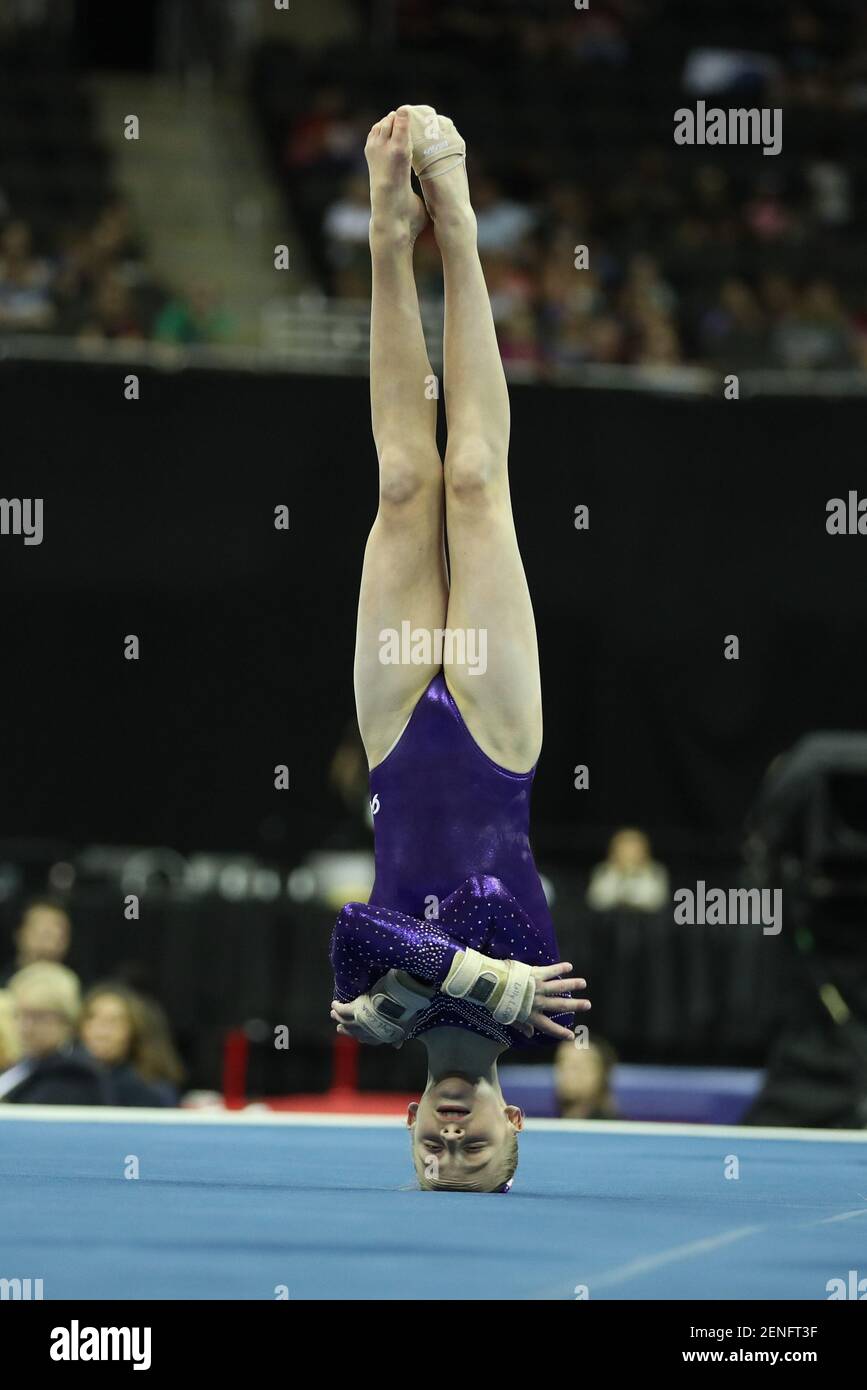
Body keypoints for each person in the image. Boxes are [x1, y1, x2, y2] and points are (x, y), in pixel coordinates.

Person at [328, 106, 590, 1192]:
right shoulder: (548, 1022)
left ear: (404, 1124)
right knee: (476, 486)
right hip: (493, 739)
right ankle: (463, 225)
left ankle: (391, 238)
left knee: (401, 483)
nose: (449, 1134)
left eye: (433, 1151)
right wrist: (483, 981)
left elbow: (362, 920)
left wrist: (461, 978)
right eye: (472, 1149)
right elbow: (482, 908)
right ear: (515, 1127)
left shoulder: (387, 1025)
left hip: (395, 743)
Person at [0, 963, 111, 1105]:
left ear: (66, 1021)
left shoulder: (76, 1076)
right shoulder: (23, 1065)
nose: (26, 1027)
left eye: (38, 1017)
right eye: (19, 1015)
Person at [79, 984, 184, 1107]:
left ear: (134, 1032)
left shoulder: (153, 1091)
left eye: (114, 1022)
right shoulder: (65, 1081)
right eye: (91, 1018)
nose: (101, 1032)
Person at [0, 896, 72, 987]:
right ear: (19, 934)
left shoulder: (74, 987)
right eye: (44, 935)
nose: (50, 946)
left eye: (59, 937)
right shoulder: (3, 986)